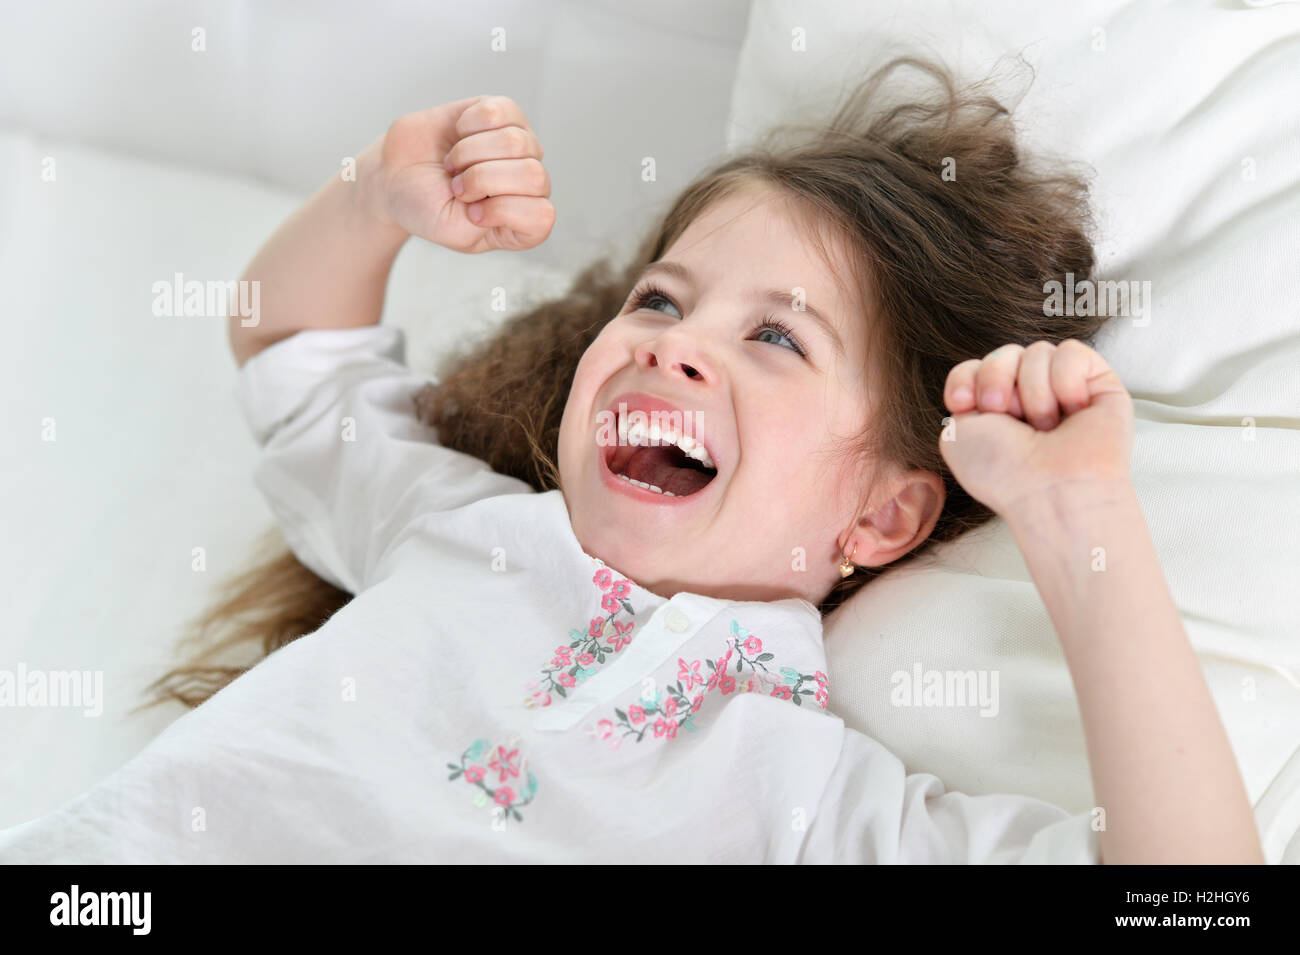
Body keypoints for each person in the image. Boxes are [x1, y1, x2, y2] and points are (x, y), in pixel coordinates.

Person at [0, 58, 1261, 864]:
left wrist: (1079, 517)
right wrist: (374, 199)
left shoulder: (812, 803)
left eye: (776, 335)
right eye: (660, 301)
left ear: (883, 516)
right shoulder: (460, 531)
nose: (677, 350)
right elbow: (294, 357)